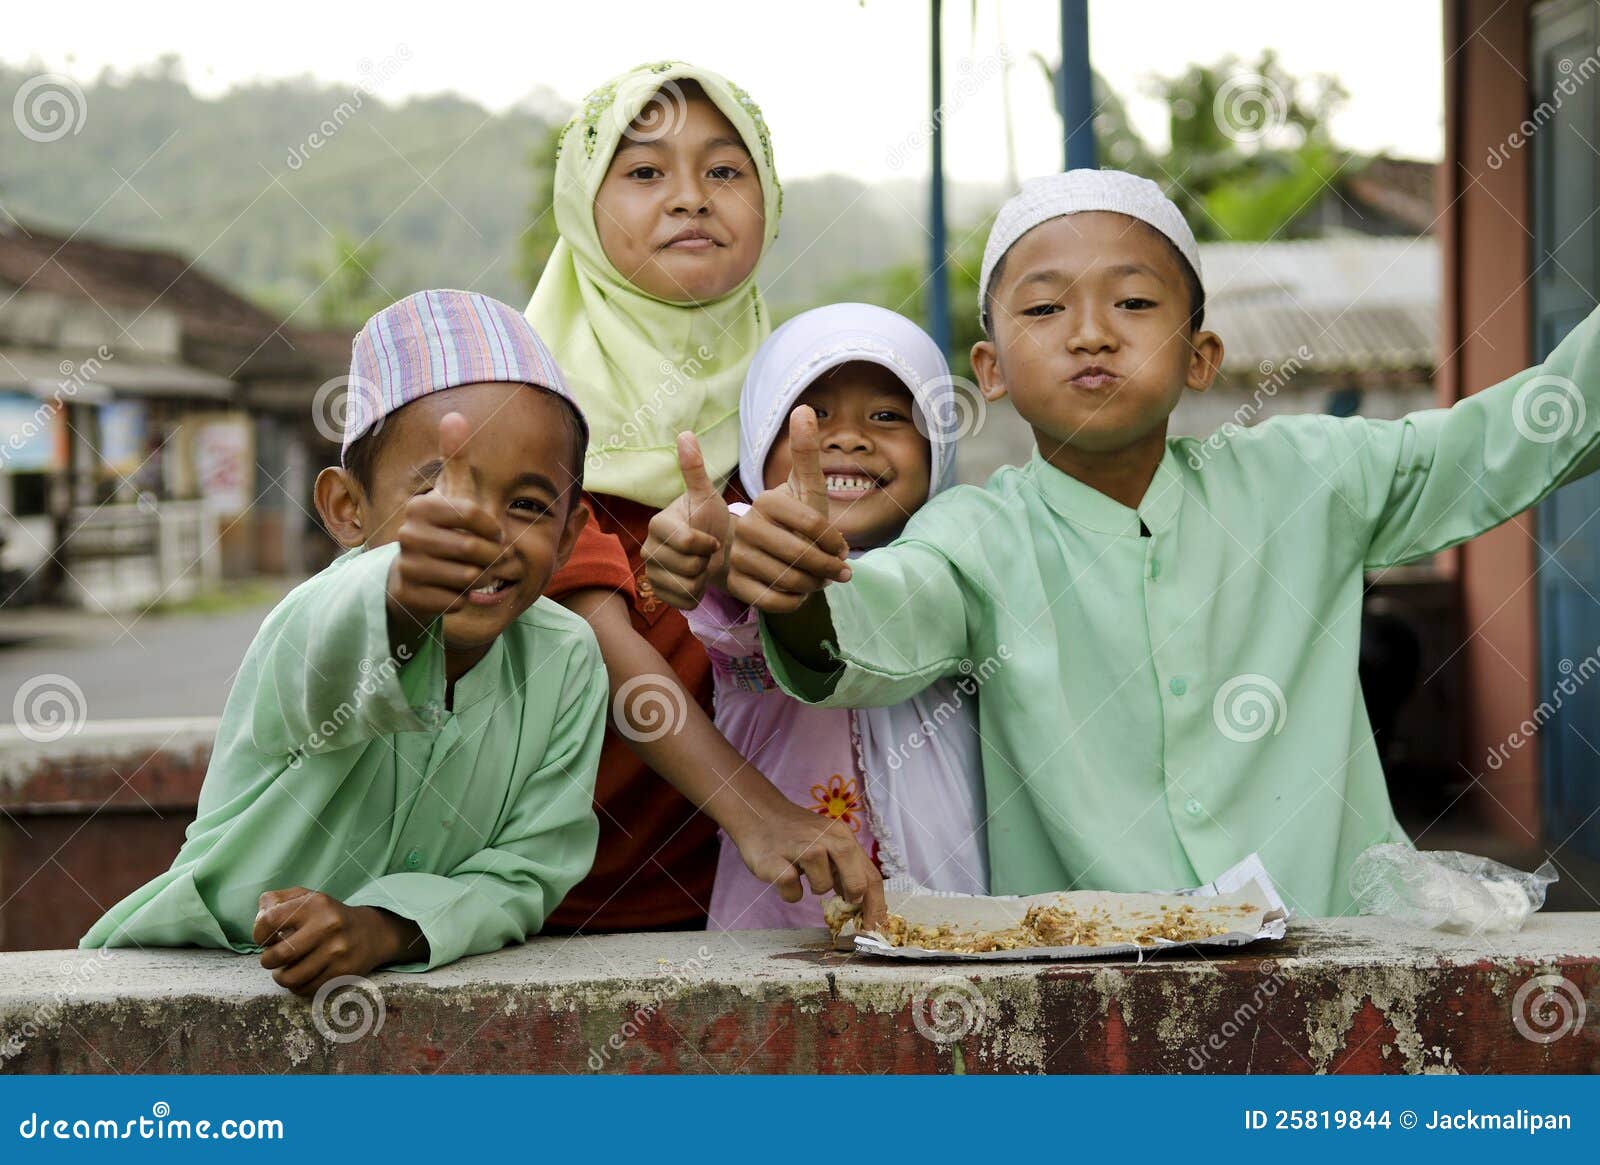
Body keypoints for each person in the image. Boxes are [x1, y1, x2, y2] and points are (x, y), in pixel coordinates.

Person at [728, 168, 1600, 916]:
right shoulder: (974, 536)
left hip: (1338, 967)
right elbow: (875, 623)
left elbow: (1514, 435)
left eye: (1135, 301)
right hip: (1089, 1003)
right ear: (990, 370)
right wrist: (800, 590)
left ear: (1200, 355)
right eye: (1045, 306)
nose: (1092, 331)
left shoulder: (1309, 476)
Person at [82, 290, 605, 994]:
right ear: (347, 509)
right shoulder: (311, 616)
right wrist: (401, 587)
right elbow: (330, 663)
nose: (482, 536)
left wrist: (386, 927)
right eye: (436, 498)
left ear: (570, 533)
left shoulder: (567, 659)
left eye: (528, 506)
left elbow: (529, 868)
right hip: (199, 969)